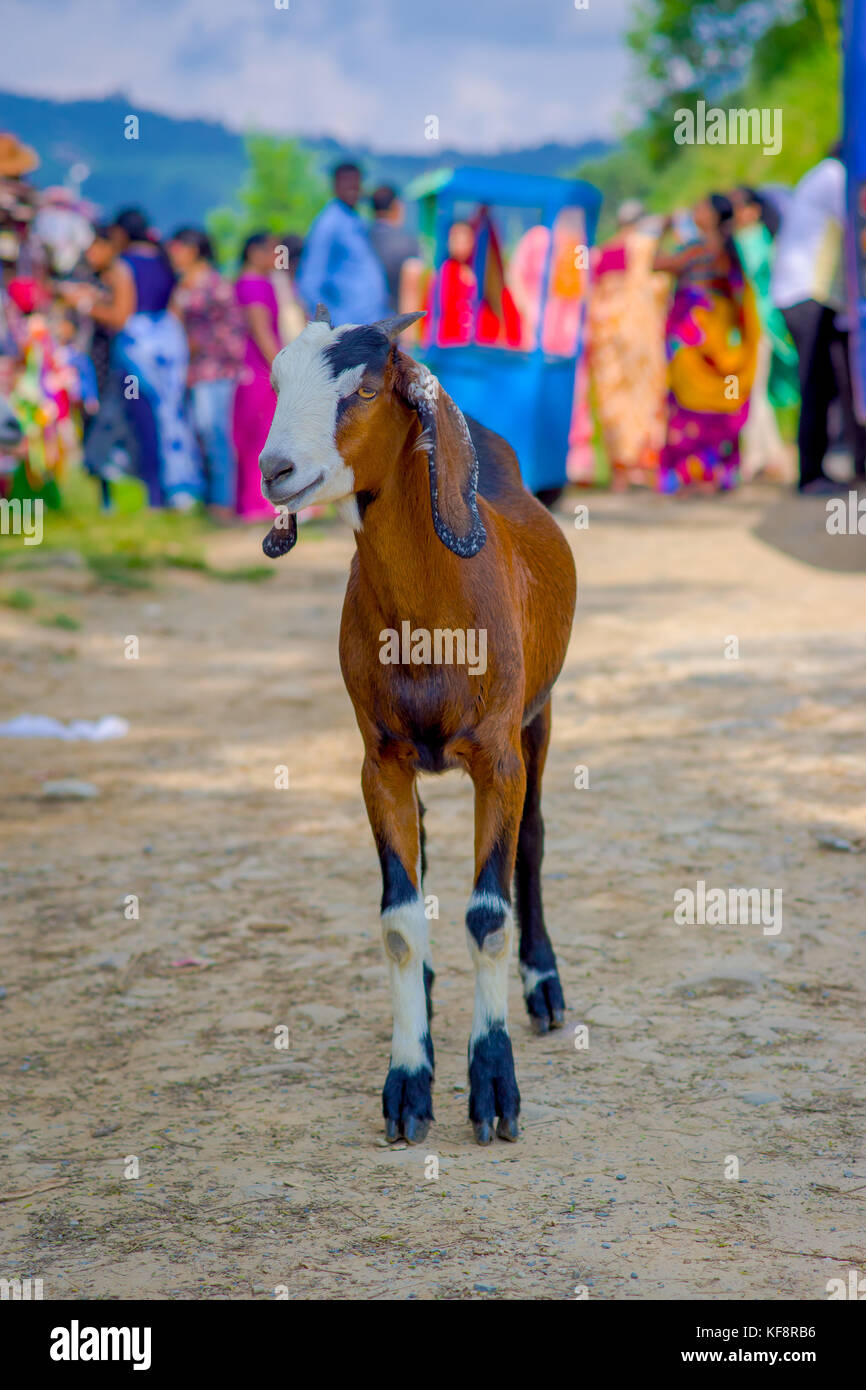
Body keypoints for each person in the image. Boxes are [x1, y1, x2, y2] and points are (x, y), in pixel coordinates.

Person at [62, 208, 201, 508]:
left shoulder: (123, 265)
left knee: (142, 419)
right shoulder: (163, 259)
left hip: (138, 351)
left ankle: (154, 494)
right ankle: (180, 488)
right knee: (171, 415)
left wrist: (84, 303)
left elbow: (122, 316)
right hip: (168, 344)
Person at [771, 149, 866, 493]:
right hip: (807, 292)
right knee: (815, 381)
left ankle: (844, 464)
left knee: (831, 379)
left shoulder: (822, 175)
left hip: (815, 294)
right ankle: (810, 475)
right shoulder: (834, 176)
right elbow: (858, 228)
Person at [653, 194, 760, 493]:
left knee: (689, 407)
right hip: (721, 340)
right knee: (718, 407)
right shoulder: (731, 251)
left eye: (701, 207)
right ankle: (719, 472)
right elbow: (739, 298)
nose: (695, 210)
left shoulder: (696, 248)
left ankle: (689, 475)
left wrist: (663, 230)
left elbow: (656, 264)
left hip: (693, 337)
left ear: (712, 216)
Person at [582, 200, 668, 488]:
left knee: (612, 399)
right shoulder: (645, 247)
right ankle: (643, 466)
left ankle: (621, 468)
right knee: (644, 396)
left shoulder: (602, 253)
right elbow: (659, 286)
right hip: (640, 336)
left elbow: (592, 297)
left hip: (608, 335)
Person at [168, 226, 245, 522]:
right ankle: (204, 497)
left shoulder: (215, 284)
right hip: (189, 370)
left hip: (216, 370)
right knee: (195, 433)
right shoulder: (183, 285)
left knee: (213, 431)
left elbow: (233, 329)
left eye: (179, 248)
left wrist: (200, 347)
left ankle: (222, 501)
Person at [731, 187, 798, 482]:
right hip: (761, 322)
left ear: (752, 210)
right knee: (755, 392)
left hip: (757, 323)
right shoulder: (765, 239)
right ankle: (765, 454)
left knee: (754, 390)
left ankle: (765, 456)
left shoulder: (749, 239)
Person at [295, 163, 388, 325]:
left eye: (356, 183)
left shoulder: (355, 219)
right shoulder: (328, 224)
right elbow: (310, 282)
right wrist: (335, 323)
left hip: (369, 323)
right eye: (346, 183)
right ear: (334, 186)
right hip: (347, 328)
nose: (352, 188)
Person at [232, 230, 281, 521]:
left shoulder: (258, 283)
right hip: (259, 368)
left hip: (256, 366)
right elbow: (261, 330)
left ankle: (255, 500)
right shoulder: (253, 285)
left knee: (261, 432)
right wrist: (280, 366)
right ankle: (256, 501)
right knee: (260, 432)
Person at [368, 185, 420, 313]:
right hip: (392, 324)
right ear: (396, 206)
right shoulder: (408, 244)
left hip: (358, 323)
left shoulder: (362, 238)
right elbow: (410, 294)